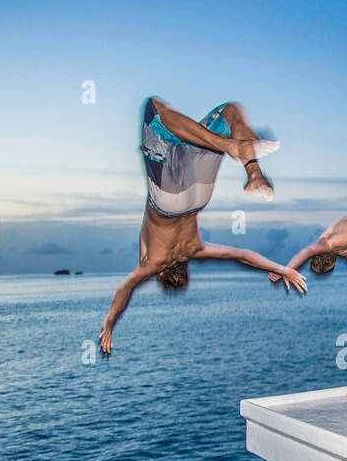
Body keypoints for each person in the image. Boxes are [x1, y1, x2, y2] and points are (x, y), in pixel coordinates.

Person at [99, 97, 306, 354]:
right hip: (167, 197)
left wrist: (282, 268)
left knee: (226, 114)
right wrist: (109, 321)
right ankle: (245, 162)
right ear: (162, 274)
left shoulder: (196, 248)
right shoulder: (152, 262)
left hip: (197, 197)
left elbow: (242, 256)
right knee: (156, 109)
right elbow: (125, 287)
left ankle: (251, 170)